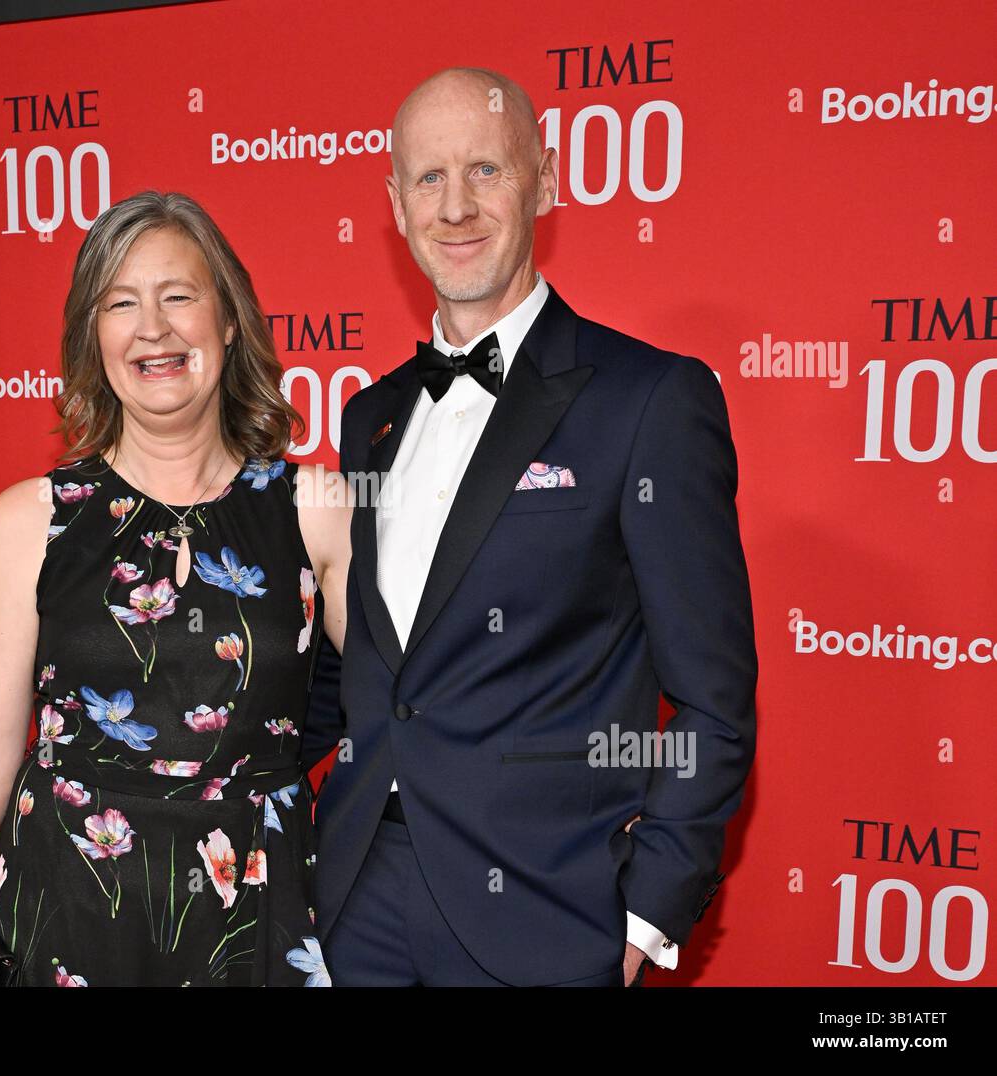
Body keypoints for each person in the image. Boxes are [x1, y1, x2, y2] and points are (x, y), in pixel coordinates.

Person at [303, 67, 758, 986]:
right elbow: (361, 667)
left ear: (544, 181)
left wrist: (644, 915)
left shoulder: (649, 401)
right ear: (394, 205)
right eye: (429, 178)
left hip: (545, 913)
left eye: (487, 170)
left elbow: (714, 699)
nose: (456, 206)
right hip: (357, 896)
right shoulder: (369, 416)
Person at [0, 191, 351, 987]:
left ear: (230, 322)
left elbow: (409, 714)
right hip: (65, 916)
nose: (152, 327)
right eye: (121, 303)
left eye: (179, 296)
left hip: (258, 919)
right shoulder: (30, 521)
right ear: (94, 339)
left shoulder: (318, 509)